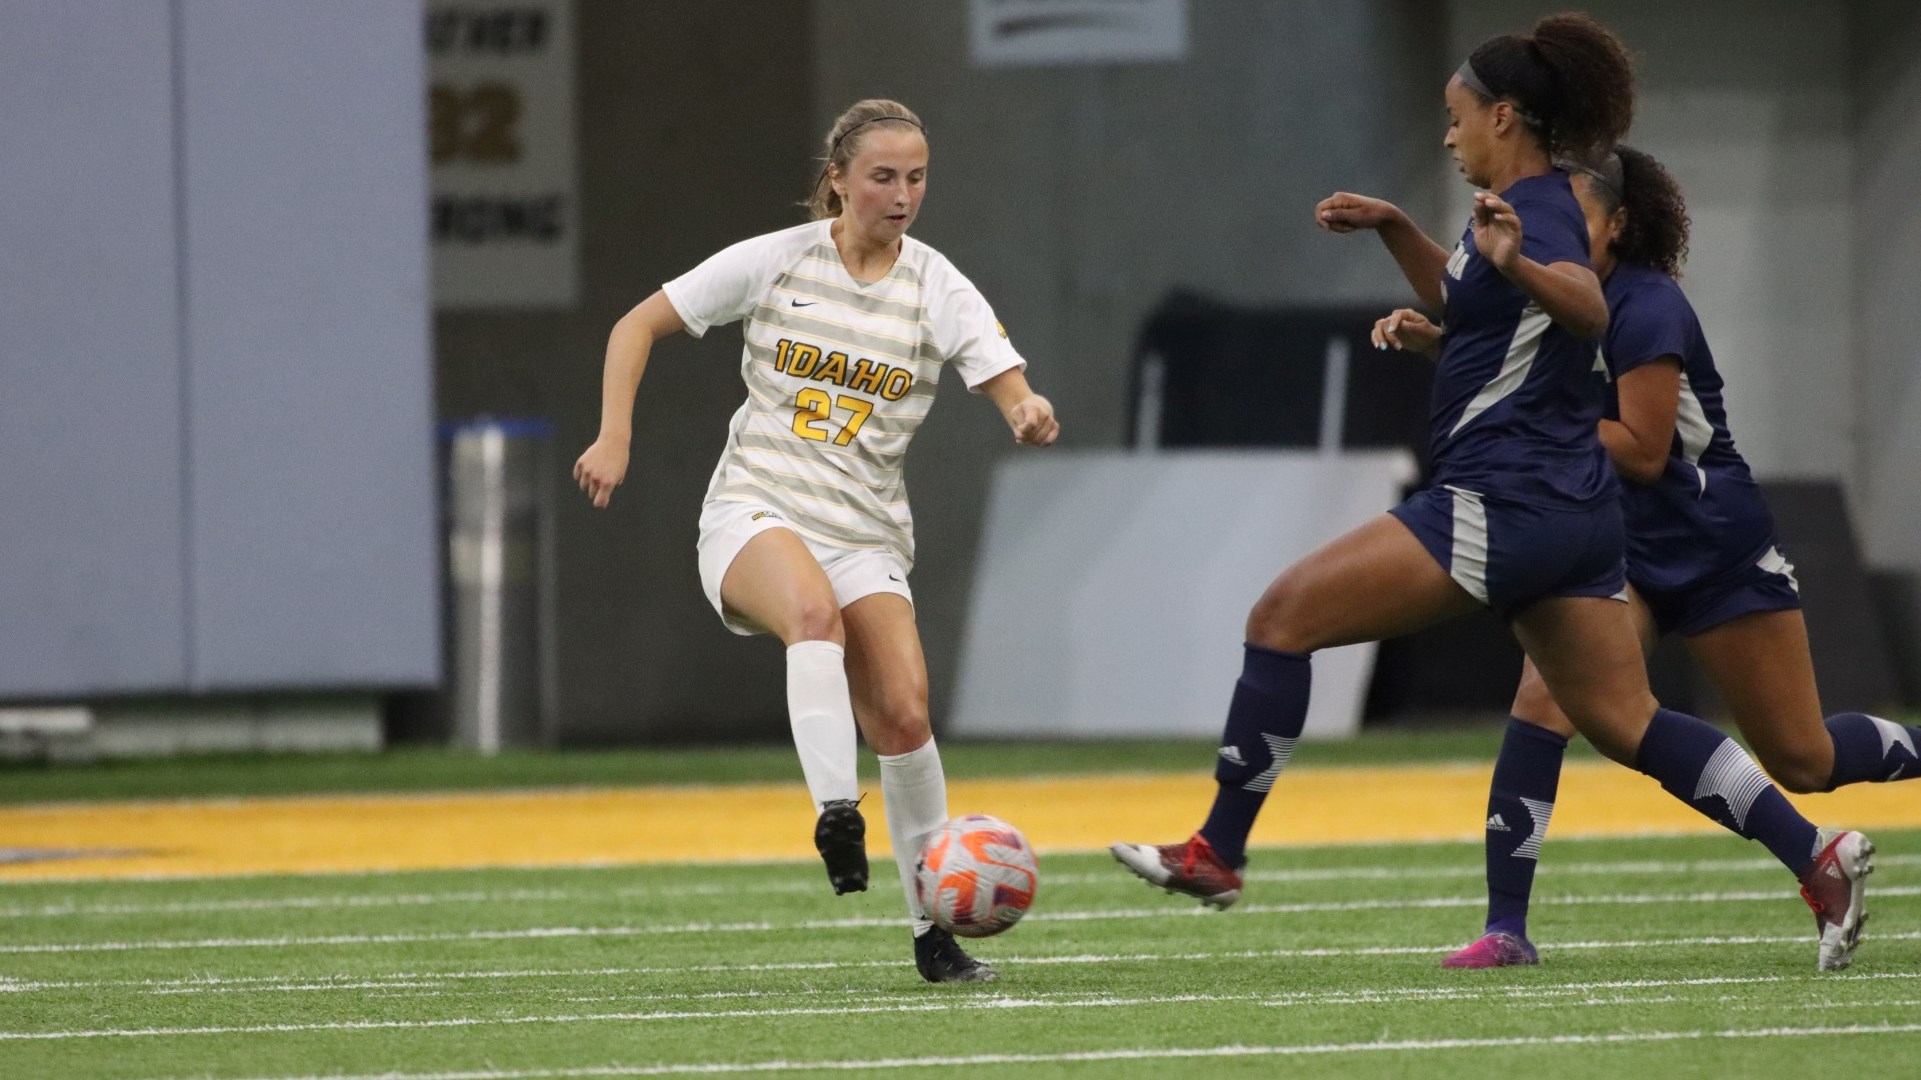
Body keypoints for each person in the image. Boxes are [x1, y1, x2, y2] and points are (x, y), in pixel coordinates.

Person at [1110, 12, 1871, 972]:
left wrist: (1517, 263)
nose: (1447, 133)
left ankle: (1218, 849)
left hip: (1503, 496)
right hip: (1573, 518)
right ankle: (1817, 857)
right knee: (1627, 723)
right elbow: (1473, 300)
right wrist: (1396, 228)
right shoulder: (1516, 210)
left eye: (1455, 116)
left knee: (1280, 616)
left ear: (1503, 115)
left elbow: (1587, 305)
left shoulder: (1541, 214)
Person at [1361, 145, 1910, 968]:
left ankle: (1819, 844)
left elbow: (1643, 450)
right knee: (1544, 697)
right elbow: (1530, 383)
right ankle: (1505, 929)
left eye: (1568, 216)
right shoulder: (1548, 297)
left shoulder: (1646, 303)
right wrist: (1442, 346)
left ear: (1618, 224)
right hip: (1614, 546)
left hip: (1712, 548)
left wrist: (1523, 417)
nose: (1546, 230)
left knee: (1803, 757)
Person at [573, 99, 1060, 983]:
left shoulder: (933, 282)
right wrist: (615, 436)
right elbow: (634, 325)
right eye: (882, 176)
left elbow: (998, 369)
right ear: (837, 178)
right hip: (754, 512)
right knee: (811, 616)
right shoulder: (778, 259)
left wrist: (1022, 407)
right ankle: (838, 811)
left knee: (905, 715)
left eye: (916, 177)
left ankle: (932, 934)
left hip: (864, 531)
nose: (902, 194)